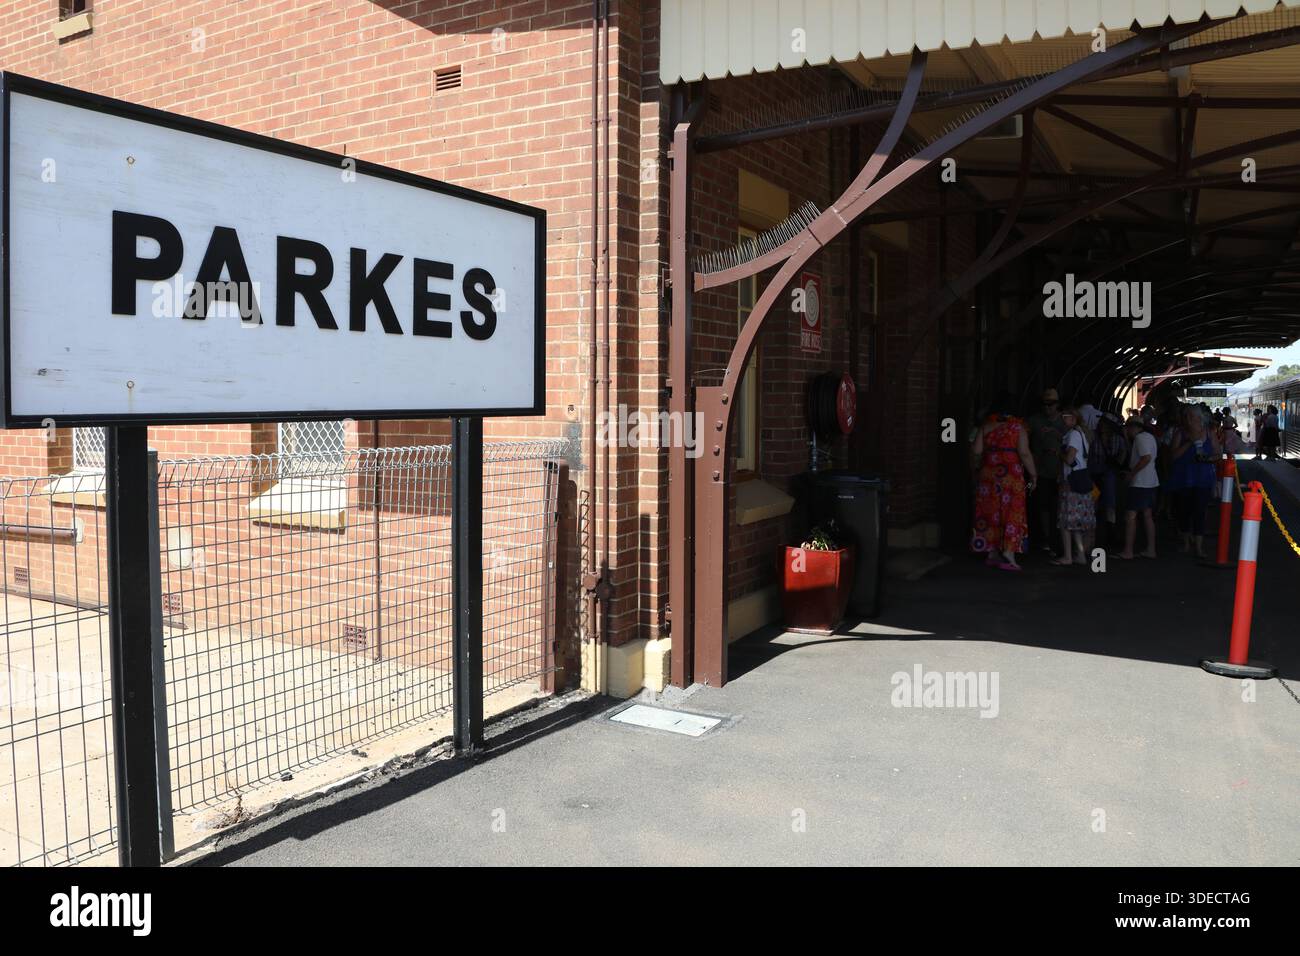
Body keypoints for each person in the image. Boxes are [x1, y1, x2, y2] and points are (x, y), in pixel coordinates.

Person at [970, 391, 1037, 571]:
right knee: (1012, 511)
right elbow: (1024, 453)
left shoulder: (987, 425)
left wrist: (977, 469)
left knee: (990, 510)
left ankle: (991, 552)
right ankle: (1009, 553)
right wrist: (1033, 474)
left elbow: (976, 451)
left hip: (988, 474)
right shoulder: (1018, 427)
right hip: (1011, 476)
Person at [1165, 404, 1221, 557]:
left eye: (1191, 416)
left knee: (1200, 511)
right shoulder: (1180, 434)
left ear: (1199, 418)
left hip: (1203, 478)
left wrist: (1208, 458)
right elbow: (1173, 456)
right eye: (1187, 416)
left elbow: (1218, 454)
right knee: (1184, 511)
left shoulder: (1209, 433)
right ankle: (1186, 542)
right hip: (1183, 478)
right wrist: (1189, 443)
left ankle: (1199, 547)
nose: (1188, 419)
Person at [1051, 406, 1096, 566]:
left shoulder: (1073, 435)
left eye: (1066, 417)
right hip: (1081, 479)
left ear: (1073, 418)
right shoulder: (1081, 434)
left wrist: (1058, 454)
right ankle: (1080, 554)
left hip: (1071, 481)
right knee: (1076, 522)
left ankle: (1068, 556)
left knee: (1065, 521)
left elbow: (1069, 459)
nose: (1063, 419)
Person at [1027, 388, 1067, 555]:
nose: (1048, 407)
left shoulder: (1066, 421)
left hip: (1061, 470)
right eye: (1045, 404)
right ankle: (1046, 537)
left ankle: (1057, 539)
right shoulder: (1034, 421)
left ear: (1058, 404)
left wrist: (1056, 435)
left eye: (1051, 404)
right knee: (1043, 506)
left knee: (1059, 506)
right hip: (1040, 470)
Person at [1117, 416, 1159, 559]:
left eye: (1128, 428)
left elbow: (1145, 458)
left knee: (1131, 516)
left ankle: (1128, 551)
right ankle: (1151, 549)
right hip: (1151, 481)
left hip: (1140, 482)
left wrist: (1131, 473)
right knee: (1147, 516)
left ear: (1133, 428)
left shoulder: (1140, 439)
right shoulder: (1149, 437)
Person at [1094, 412, 1129, 544]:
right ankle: (1101, 532)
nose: (1102, 425)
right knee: (1099, 503)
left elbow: (1124, 453)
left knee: (1109, 504)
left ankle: (1109, 533)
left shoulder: (1115, 438)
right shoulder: (1095, 437)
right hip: (1098, 475)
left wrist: (1117, 464)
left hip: (1107, 475)